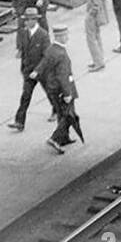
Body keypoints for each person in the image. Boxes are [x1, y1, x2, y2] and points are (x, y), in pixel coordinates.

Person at [36, 26, 79, 154]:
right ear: (60, 37)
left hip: (53, 88)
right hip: (62, 89)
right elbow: (63, 76)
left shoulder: (51, 49)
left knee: (61, 113)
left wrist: (36, 71)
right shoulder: (62, 55)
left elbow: (44, 63)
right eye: (66, 35)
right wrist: (67, 93)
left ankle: (64, 138)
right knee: (69, 115)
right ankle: (56, 138)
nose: (67, 37)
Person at [8, 10, 53, 132]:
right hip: (28, 71)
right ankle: (19, 122)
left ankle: (55, 109)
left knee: (50, 92)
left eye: (29, 20)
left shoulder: (43, 34)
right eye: (26, 20)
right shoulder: (23, 33)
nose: (26, 22)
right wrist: (22, 64)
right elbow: (23, 49)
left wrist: (38, 70)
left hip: (42, 71)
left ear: (35, 20)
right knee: (25, 96)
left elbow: (47, 56)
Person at [82, 0, 109, 71]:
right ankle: (100, 59)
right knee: (97, 37)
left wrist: (90, 14)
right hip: (100, 14)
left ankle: (98, 62)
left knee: (91, 39)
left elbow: (96, 3)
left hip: (93, 15)